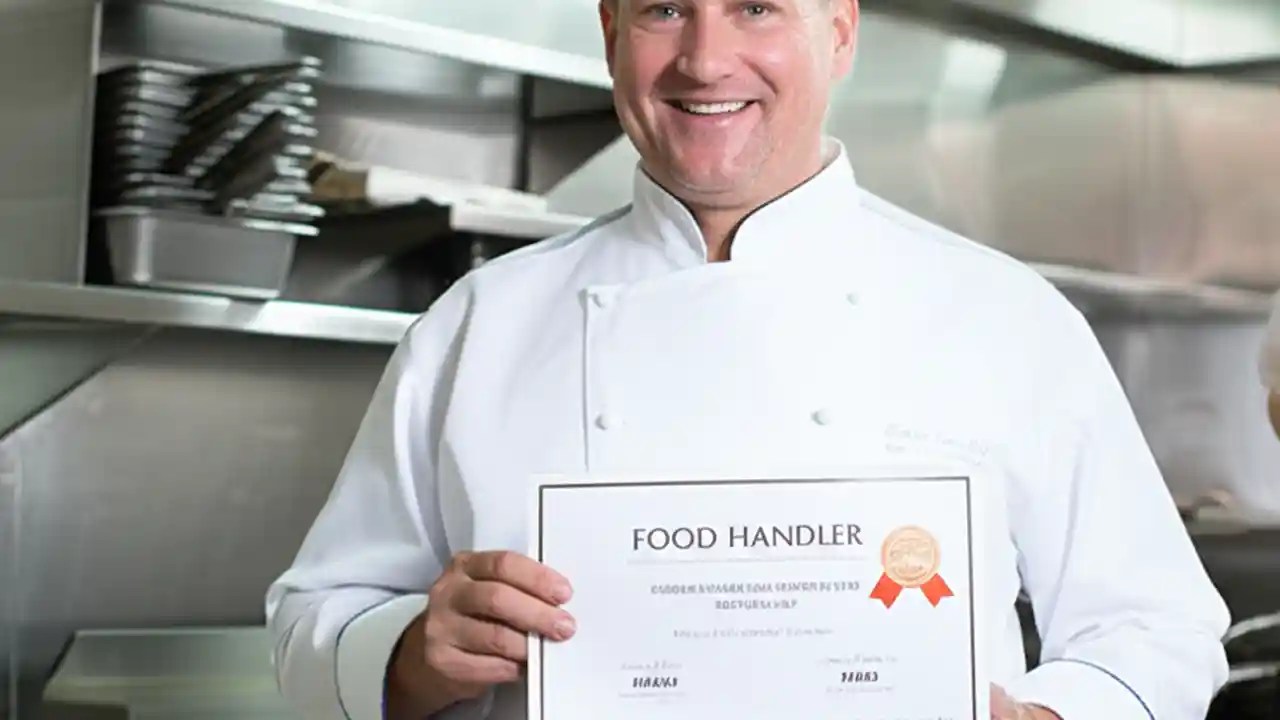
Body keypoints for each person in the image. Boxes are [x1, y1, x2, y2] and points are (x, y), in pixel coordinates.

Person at [265, 1, 1231, 719]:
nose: (704, 58)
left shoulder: (1006, 316)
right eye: (663, 9)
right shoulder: (479, 322)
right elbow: (316, 613)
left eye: (756, 7)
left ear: (841, 31)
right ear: (609, 34)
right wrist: (411, 653)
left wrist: (1052, 716)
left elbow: (1158, 632)